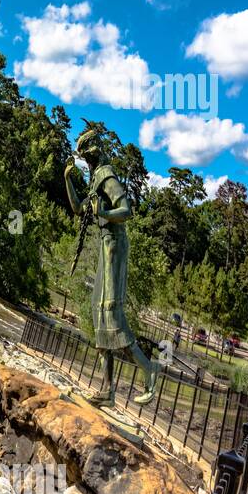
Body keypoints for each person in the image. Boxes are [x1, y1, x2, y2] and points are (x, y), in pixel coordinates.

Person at [65, 127, 160, 406]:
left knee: (111, 312)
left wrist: (104, 213)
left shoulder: (105, 174)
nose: (85, 158)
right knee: (99, 313)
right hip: (107, 246)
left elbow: (126, 210)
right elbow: (78, 208)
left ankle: (150, 369)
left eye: (85, 153)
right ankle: (107, 390)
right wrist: (68, 179)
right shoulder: (95, 179)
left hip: (115, 246)